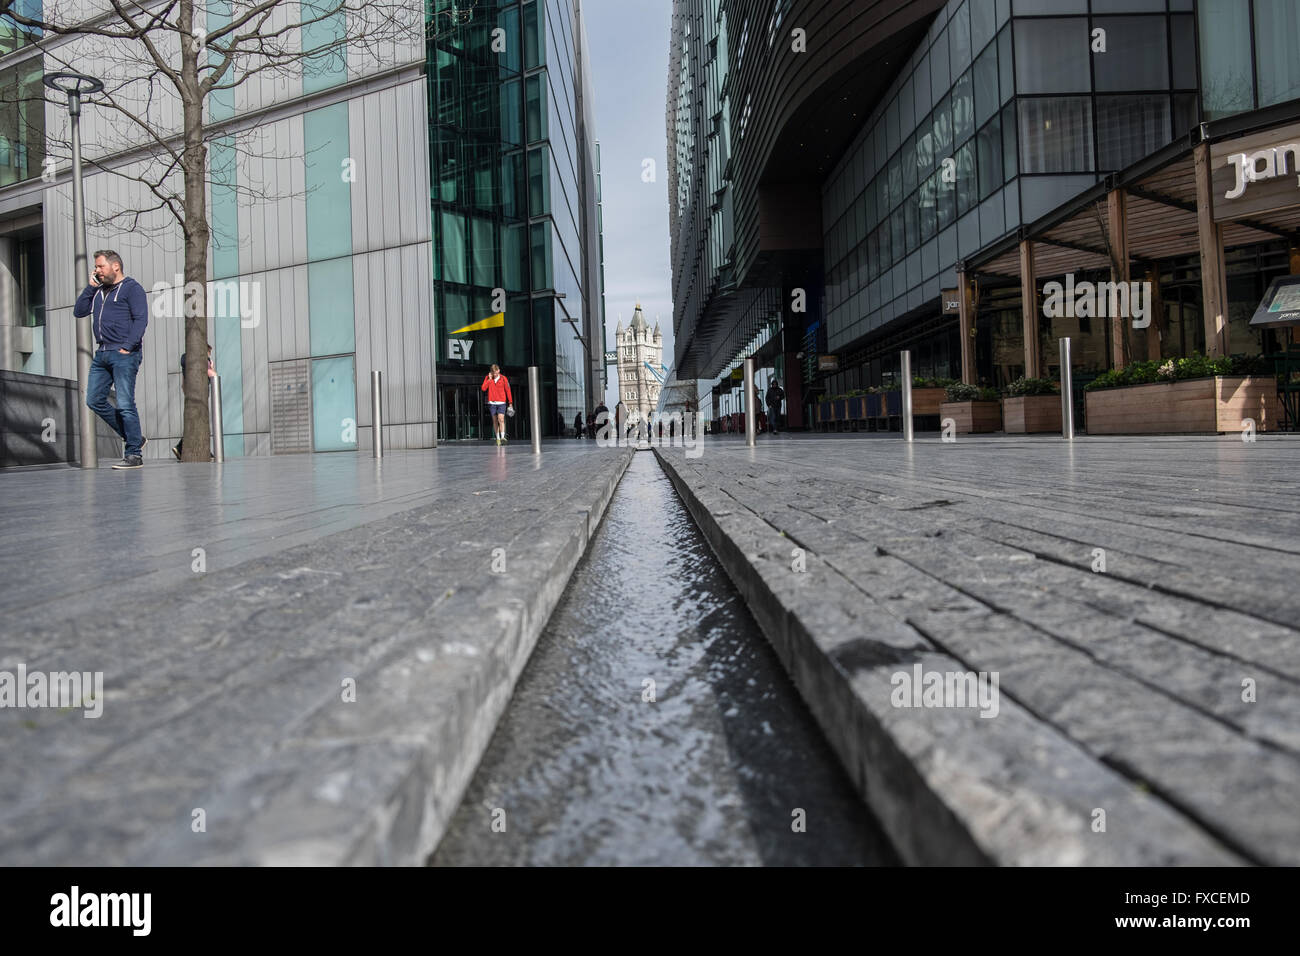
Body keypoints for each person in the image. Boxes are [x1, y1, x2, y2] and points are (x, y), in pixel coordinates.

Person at [76, 250, 150, 469]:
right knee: (94, 399)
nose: (97, 270)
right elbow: (79, 311)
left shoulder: (132, 288)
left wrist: (127, 347)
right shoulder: (97, 291)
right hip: (102, 354)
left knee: (125, 404)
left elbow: (141, 319)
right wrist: (90, 287)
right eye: (96, 267)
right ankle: (135, 437)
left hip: (123, 353)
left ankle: (134, 454)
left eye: (100, 266)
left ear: (115, 266)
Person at [173, 344, 215, 460]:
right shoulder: (202, 358)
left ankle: (181, 447)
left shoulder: (186, 358)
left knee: (194, 419)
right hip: (200, 393)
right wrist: (212, 368)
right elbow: (211, 374)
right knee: (199, 420)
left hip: (190, 392)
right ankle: (181, 446)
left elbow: (183, 381)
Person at [481, 364, 513, 445]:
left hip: (501, 402)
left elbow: (508, 390)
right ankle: (498, 438)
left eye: (496, 372)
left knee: (501, 419)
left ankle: (502, 437)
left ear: (498, 370)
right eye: (493, 373)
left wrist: (510, 403)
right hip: (492, 403)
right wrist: (489, 379)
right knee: (495, 420)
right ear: (491, 372)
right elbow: (483, 388)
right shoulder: (488, 378)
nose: (495, 374)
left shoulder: (503, 378)